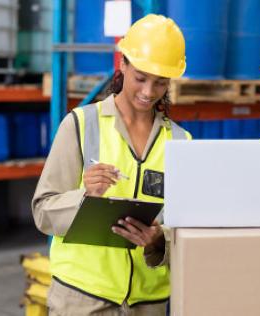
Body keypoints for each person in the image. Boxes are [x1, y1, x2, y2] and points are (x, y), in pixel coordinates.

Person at [31, 14, 191, 316]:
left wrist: (159, 239)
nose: (148, 91)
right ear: (124, 65)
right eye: (140, 78)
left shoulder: (181, 142)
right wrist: (84, 195)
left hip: (148, 303)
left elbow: (189, 229)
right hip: (82, 299)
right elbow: (43, 211)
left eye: (160, 83)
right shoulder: (80, 125)